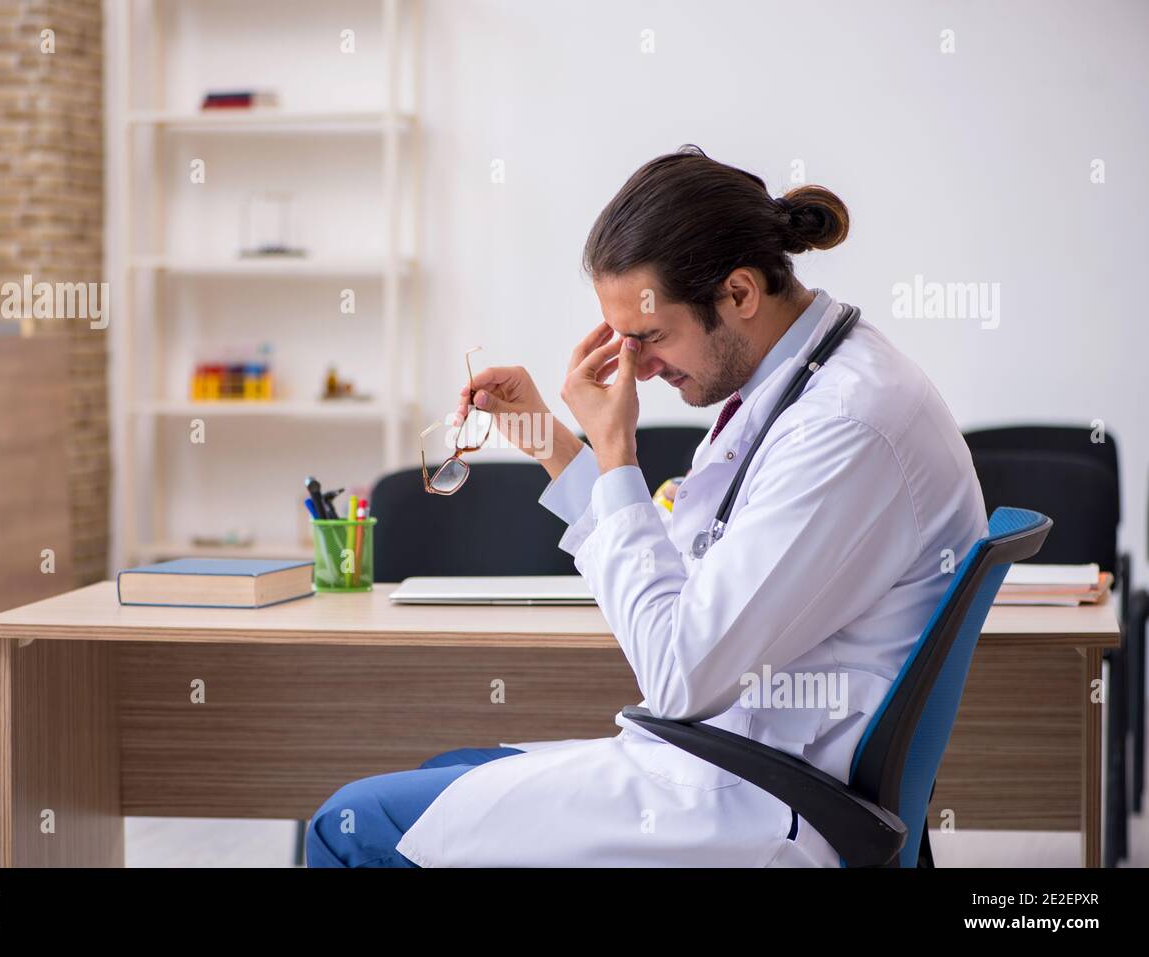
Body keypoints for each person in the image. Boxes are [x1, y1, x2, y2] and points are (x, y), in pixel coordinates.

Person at [306, 145, 986, 867]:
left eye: (650, 336)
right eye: (623, 339)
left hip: (760, 800)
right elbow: (680, 573)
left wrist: (617, 453)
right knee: (441, 777)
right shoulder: (800, 388)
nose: (640, 366)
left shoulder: (846, 424)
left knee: (348, 826)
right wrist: (549, 439)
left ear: (740, 293)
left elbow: (679, 671)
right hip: (735, 762)